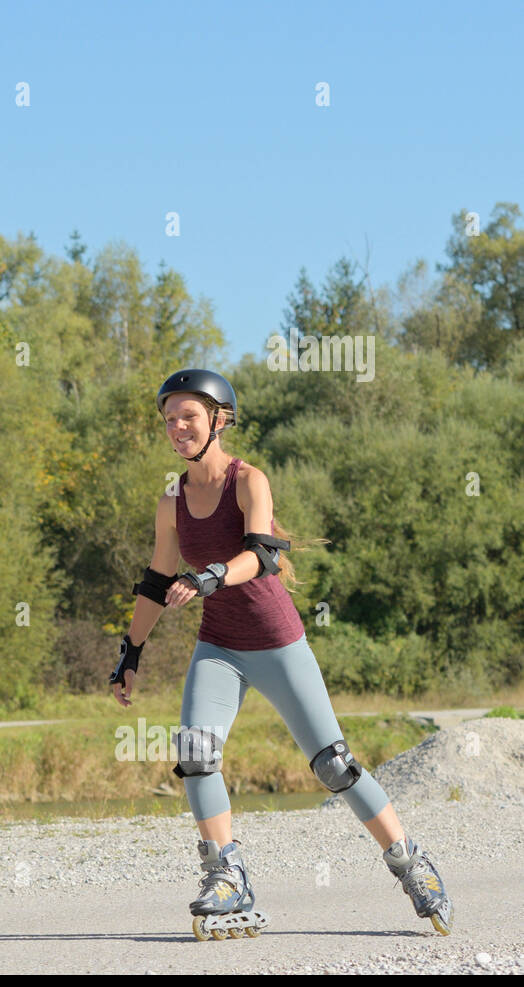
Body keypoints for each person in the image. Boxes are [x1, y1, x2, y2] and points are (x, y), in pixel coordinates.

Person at [109, 368, 453, 940]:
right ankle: (227, 875)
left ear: (220, 420)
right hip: (218, 646)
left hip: (277, 643)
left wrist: (211, 576)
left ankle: (409, 861)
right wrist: (131, 652)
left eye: (188, 417)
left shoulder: (249, 481)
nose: (177, 428)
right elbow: (155, 580)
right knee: (195, 753)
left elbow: (261, 554)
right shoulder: (170, 500)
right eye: (169, 420)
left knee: (332, 765)